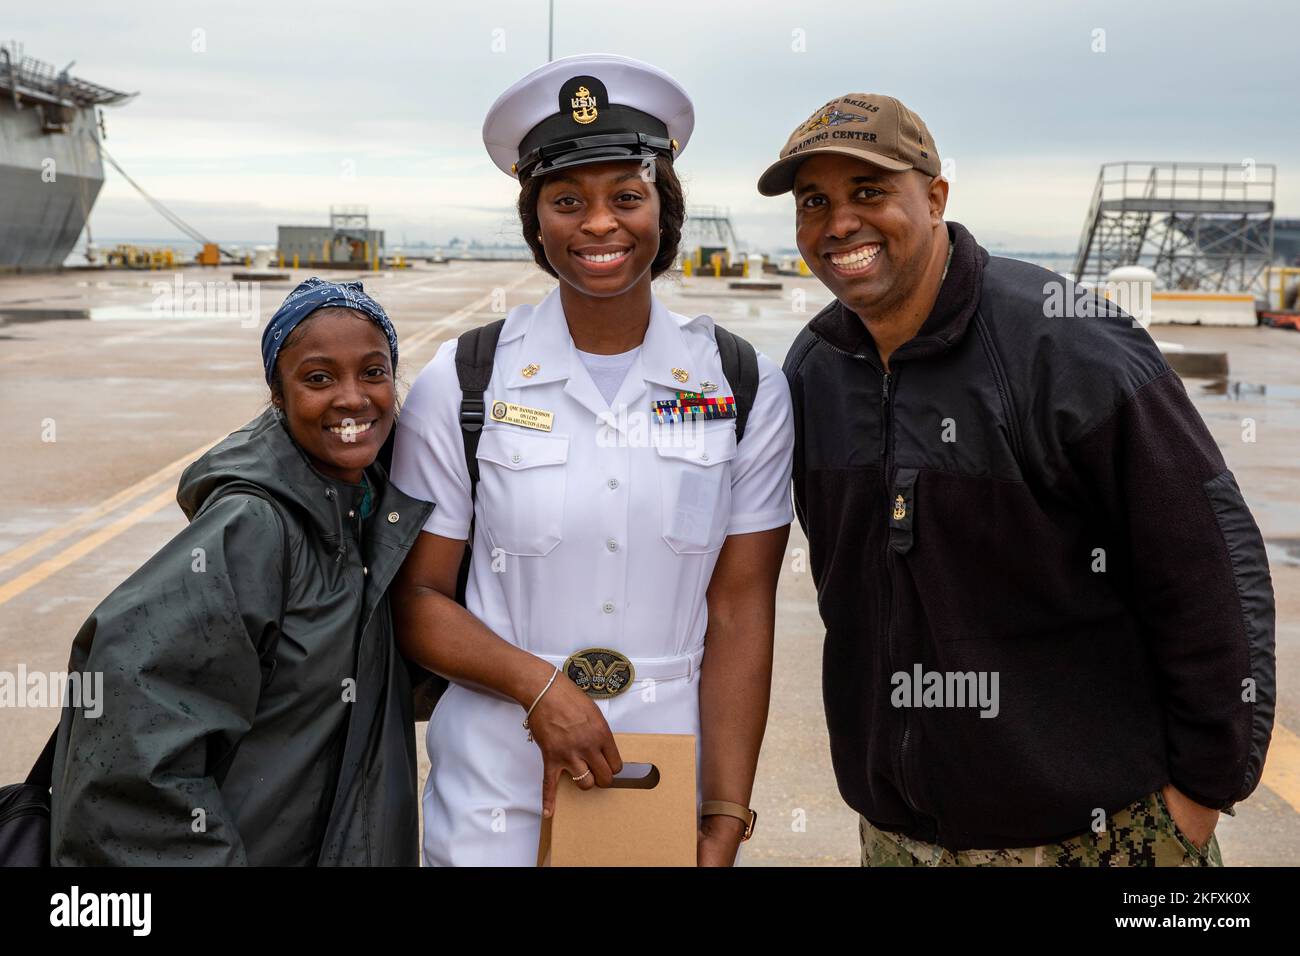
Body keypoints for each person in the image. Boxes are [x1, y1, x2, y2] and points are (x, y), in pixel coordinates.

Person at [762, 93, 1276, 866]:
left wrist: (1201, 797)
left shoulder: (1064, 346)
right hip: (900, 837)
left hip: (1098, 837)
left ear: (935, 196)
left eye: (869, 192)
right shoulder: (814, 371)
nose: (839, 224)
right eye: (815, 202)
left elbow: (1209, 564)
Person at [390, 53, 795, 866]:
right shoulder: (463, 381)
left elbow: (741, 612)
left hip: (657, 785)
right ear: (536, 222)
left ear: (662, 211)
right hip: (493, 793)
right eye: (567, 201)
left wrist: (724, 811)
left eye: (627, 198)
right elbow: (419, 597)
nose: (599, 224)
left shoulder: (742, 384)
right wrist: (540, 689)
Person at [50, 278, 431, 865]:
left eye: (374, 373)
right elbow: (130, 731)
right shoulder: (254, 525)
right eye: (319, 378)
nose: (353, 398)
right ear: (277, 395)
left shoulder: (373, 512)